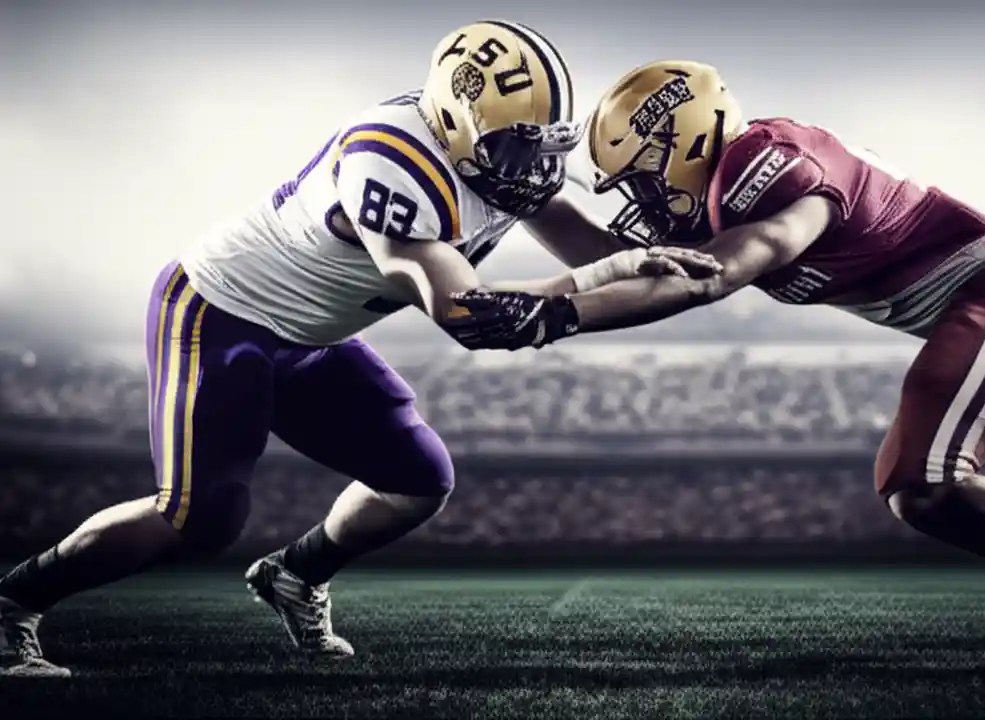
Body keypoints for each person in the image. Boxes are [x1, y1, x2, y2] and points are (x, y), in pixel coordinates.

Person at [447, 60, 985, 675]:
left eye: (640, 176)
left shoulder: (764, 162)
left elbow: (725, 269)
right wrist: (541, 212)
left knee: (922, 480)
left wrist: (554, 310)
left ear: (689, 136)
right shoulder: (720, 189)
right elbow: (633, 261)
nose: (638, 199)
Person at [0, 25, 714, 678]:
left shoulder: (502, 149)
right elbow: (470, 314)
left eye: (539, 142)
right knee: (197, 518)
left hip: (312, 336)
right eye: (515, 147)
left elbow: (601, 250)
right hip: (219, 316)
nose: (532, 166)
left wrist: (709, 253)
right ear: (460, 127)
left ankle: (295, 575)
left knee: (418, 477)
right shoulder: (391, 162)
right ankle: (13, 604)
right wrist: (599, 285)